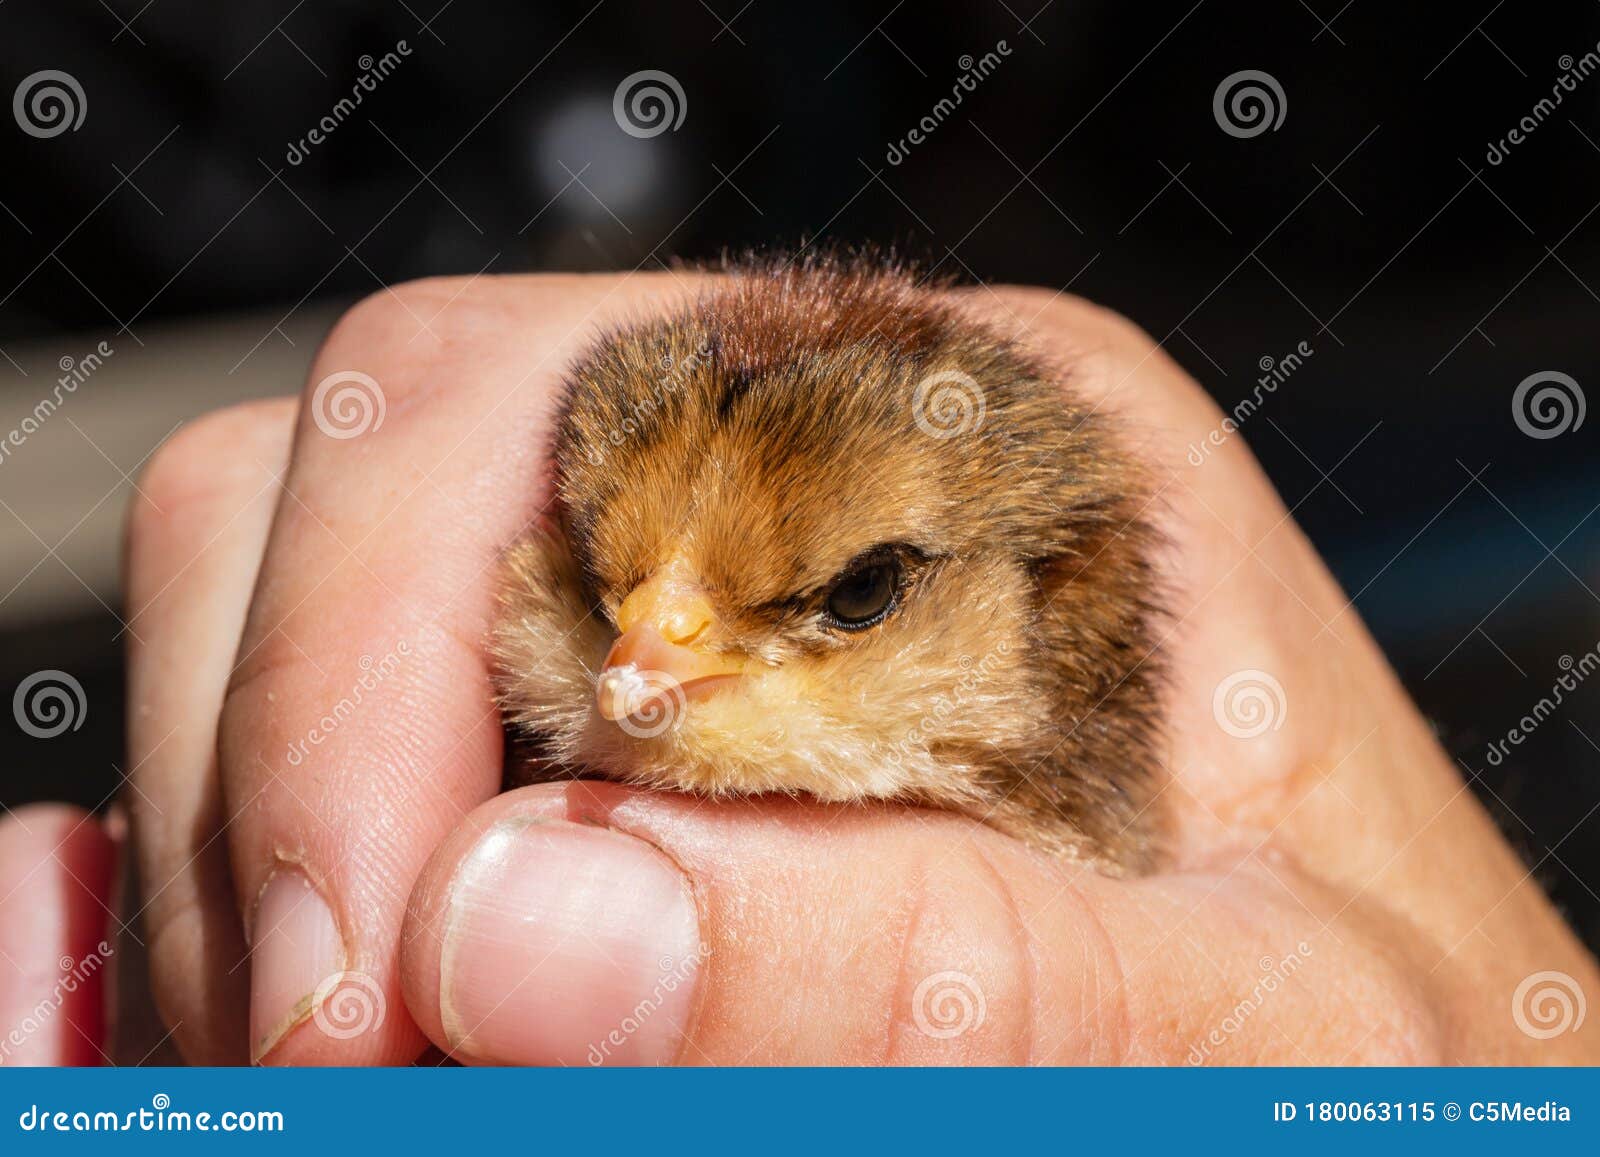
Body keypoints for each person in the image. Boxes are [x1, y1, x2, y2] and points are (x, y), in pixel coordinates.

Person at [3, 275, 1596, 1065]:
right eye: (605, 571)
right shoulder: (478, 819)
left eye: (842, 594)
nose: (649, 652)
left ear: (1056, 617)